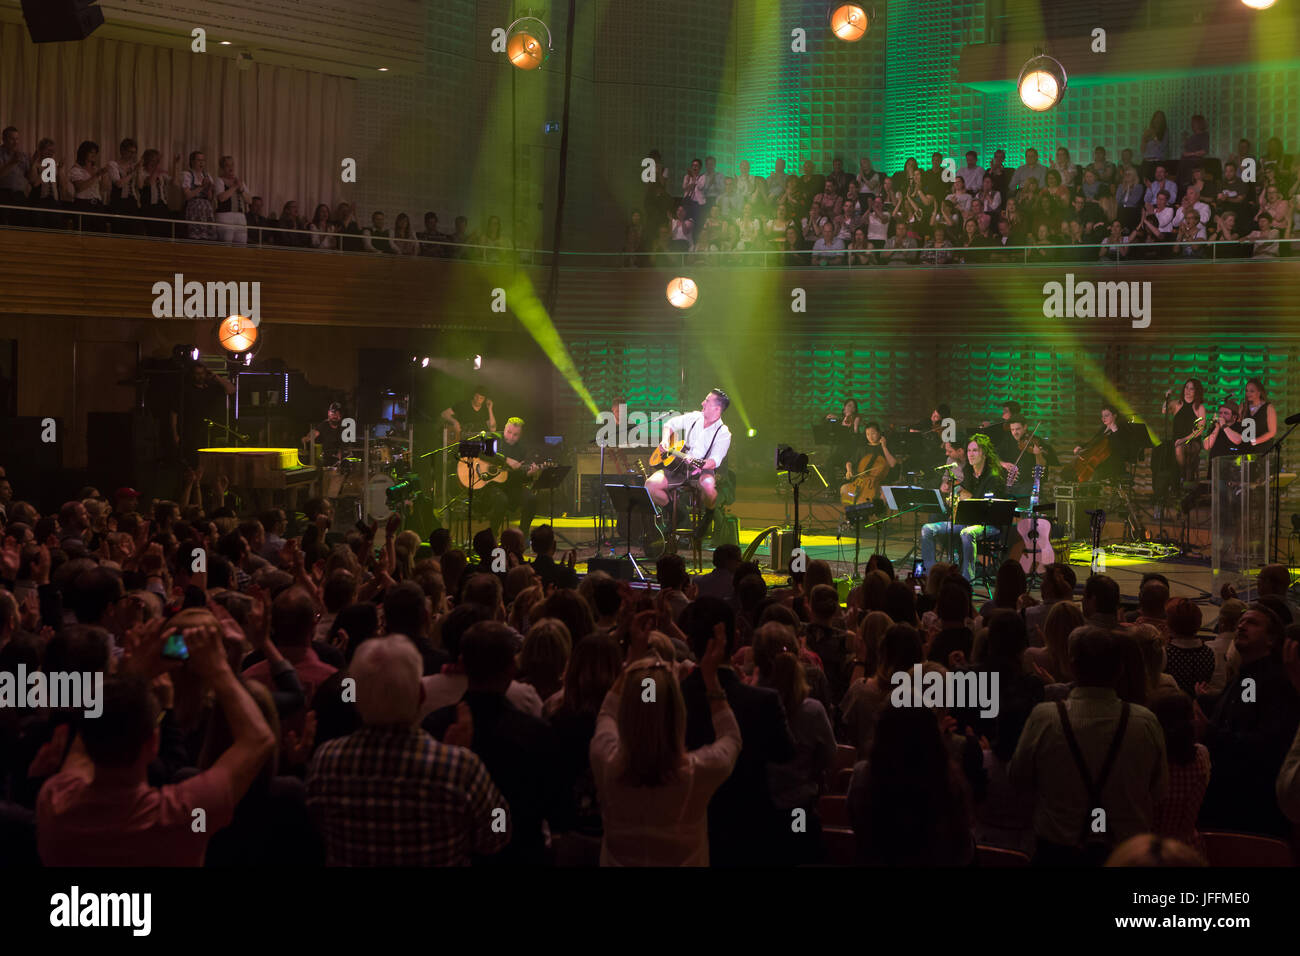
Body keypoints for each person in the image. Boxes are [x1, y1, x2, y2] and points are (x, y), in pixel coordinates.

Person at [36, 610, 276, 865]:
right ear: (153, 743)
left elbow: (85, 745)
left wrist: (134, 675)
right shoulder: (182, 814)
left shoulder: (55, 802)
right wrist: (220, 669)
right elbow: (258, 739)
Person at [306, 634, 509, 865]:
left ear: (356, 700)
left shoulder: (325, 761)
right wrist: (486, 788)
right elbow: (496, 835)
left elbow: (316, 828)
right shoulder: (460, 767)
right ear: (421, 695)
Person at [1009, 627, 1168, 866]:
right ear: (1119, 670)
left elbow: (1018, 778)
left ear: (1072, 666)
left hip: (1058, 853)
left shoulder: (1045, 718)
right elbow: (1159, 791)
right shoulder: (1145, 721)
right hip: (1125, 854)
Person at [590, 621, 738, 866]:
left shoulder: (605, 759)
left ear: (628, 713)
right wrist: (710, 677)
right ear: (678, 714)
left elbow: (607, 712)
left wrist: (633, 664)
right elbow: (730, 737)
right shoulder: (698, 772)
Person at [921, 433, 1009, 580]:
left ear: (984, 453)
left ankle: (967, 579)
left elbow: (987, 507)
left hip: (988, 524)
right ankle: (931, 575)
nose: (971, 454)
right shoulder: (968, 471)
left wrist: (968, 498)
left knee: (967, 533)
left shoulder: (993, 476)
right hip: (966, 522)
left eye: (975, 450)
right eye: (969, 451)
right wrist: (954, 498)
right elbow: (962, 492)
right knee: (927, 529)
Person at [645, 389, 733, 537]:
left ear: (717, 408)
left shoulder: (723, 433)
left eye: (707, 401)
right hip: (679, 465)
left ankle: (709, 515)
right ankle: (676, 515)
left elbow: (714, 461)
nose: (702, 403)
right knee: (650, 485)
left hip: (702, 468)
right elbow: (670, 424)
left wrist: (699, 463)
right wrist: (666, 440)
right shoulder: (695, 417)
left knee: (709, 486)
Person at [477, 417, 540, 536]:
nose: (511, 437)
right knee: (501, 500)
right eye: (509, 432)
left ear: (520, 435)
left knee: (532, 499)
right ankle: (492, 535)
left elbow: (521, 476)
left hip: (512, 486)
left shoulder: (523, 449)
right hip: (491, 486)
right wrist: (506, 460)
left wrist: (529, 474)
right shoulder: (494, 438)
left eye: (515, 435)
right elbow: (482, 453)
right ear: (504, 429)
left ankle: (522, 535)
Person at [302, 402, 348, 500]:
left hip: (336, 461)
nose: (335, 415)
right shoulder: (324, 425)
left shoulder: (342, 428)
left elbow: (343, 446)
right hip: (324, 461)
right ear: (328, 413)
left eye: (338, 413)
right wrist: (308, 437)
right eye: (333, 413)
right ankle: (323, 498)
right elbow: (315, 432)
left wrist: (341, 456)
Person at [213, 155, 251, 245]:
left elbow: (249, 201)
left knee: (241, 246)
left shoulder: (240, 182)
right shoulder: (219, 180)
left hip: (240, 217)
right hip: (225, 216)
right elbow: (221, 198)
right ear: (222, 168)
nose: (231, 168)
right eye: (227, 165)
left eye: (232, 165)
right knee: (226, 246)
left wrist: (241, 189)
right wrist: (234, 187)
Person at [181, 150, 217, 241]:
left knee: (207, 238)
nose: (201, 163)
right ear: (192, 161)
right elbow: (188, 196)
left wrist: (209, 189)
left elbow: (210, 198)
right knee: (195, 237)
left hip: (206, 209)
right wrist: (202, 187)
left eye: (203, 160)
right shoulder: (187, 174)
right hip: (194, 208)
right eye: (198, 160)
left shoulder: (207, 175)